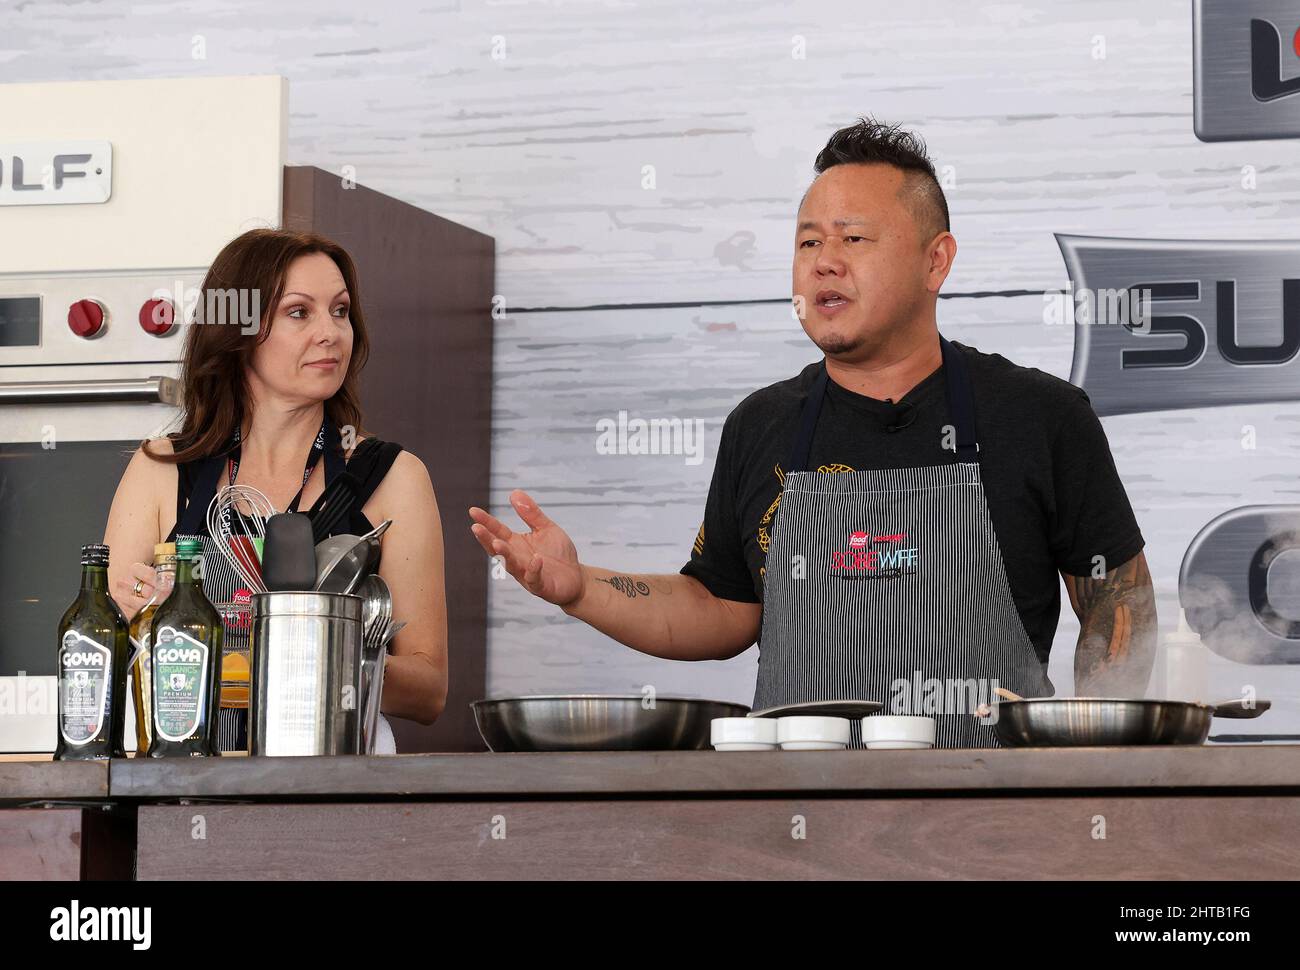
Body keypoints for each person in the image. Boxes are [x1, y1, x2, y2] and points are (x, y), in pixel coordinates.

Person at [469, 118, 1156, 748]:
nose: (824, 261)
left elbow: (1119, 603)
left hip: (991, 823)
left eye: (853, 239)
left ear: (935, 261)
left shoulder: (1040, 416)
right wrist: (580, 587)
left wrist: (1086, 765)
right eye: (808, 242)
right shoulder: (762, 425)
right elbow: (718, 607)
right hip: (796, 825)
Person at [104, 229, 448, 752]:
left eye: (340, 310)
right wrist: (140, 619)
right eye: (298, 312)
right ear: (236, 331)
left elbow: (428, 691)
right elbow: (110, 641)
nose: (331, 332)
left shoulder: (393, 477)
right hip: (184, 784)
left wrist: (305, 649)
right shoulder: (160, 470)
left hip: (339, 797)